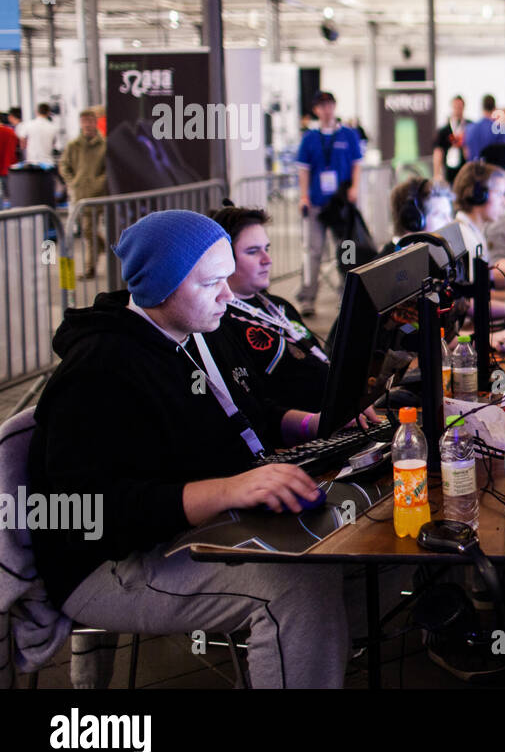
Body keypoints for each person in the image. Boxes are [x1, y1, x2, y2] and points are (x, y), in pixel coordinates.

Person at [27, 210, 351, 688]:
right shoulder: (99, 369)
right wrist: (228, 490)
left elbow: (251, 413)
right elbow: (93, 513)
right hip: (105, 565)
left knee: (346, 537)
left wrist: (318, 424)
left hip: (181, 530)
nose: (228, 295)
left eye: (226, 278)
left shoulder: (197, 332)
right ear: (162, 288)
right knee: (295, 587)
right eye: (211, 283)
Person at [210, 205, 331, 413]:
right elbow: (257, 406)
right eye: (252, 252)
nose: (267, 260)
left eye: (266, 248)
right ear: (224, 259)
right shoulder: (219, 322)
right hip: (304, 425)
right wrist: (309, 424)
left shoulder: (279, 305)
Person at [295, 90, 364, 317]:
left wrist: (355, 188)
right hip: (317, 203)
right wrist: (304, 196)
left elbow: (356, 164)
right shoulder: (309, 138)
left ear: (334, 106)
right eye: (322, 106)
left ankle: (347, 293)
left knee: (346, 249)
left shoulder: (349, 135)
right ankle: (308, 297)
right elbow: (303, 170)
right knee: (312, 251)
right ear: (316, 110)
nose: (326, 110)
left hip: (341, 204)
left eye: (329, 105)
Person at [59, 109, 109, 279]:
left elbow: (109, 168)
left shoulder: (104, 145)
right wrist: (72, 181)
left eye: (90, 121)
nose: (87, 125)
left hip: (98, 195)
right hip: (79, 194)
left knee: (89, 230)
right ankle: (104, 247)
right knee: (88, 230)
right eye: (84, 121)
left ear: (95, 122)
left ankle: (90, 267)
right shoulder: (73, 145)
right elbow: (64, 165)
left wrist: (99, 182)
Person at [451, 161, 505, 283]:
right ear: (479, 195)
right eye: (499, 194)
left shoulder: (472, 230)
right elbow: (475, 294)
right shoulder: (466, 239)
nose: (504, 201)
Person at [383, 176, 454, 254]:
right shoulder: (388, 262)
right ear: (413, 221)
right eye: (440, 215)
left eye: (449, 215)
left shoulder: (435, 255)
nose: (449, 222)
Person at [433, 95, 468, 186]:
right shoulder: (444, 131)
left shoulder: (470, 127)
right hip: (449, 172)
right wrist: (437, 174)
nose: (457, 109)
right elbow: (438, 151)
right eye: (455, 107)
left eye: (460, 107)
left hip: (466, 170)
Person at [463, 94, 501, 163]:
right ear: (495, 108)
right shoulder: (499, 129)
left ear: (482, 107)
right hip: (492, 168)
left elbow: (466, 154)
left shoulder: (469, 128)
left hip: (472, 167)